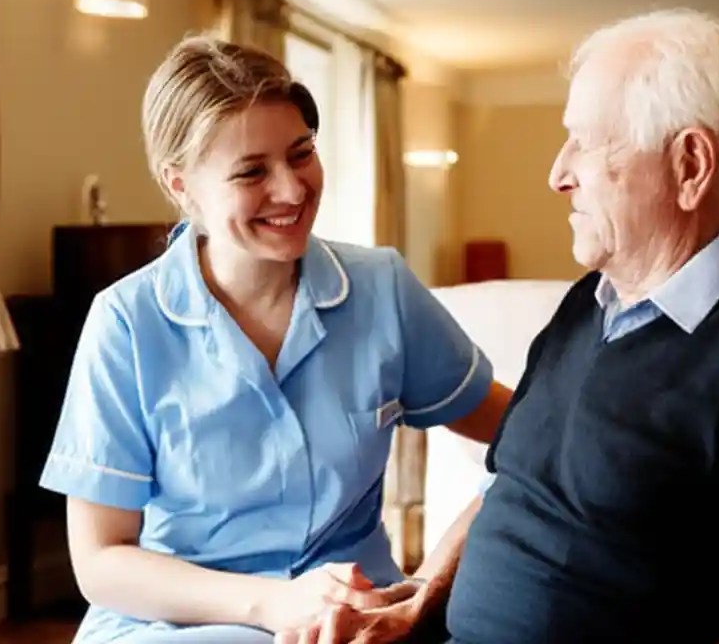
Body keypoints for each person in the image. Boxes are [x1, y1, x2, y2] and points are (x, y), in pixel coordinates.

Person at [291, 8, 719, 643]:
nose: (558, 174)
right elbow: (508, 485)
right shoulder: (589, 303)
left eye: (585, 141)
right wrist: (419, 603)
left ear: (690, 165)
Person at [37, 35, 513, 643]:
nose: (291, 190)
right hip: (171, 622)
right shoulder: (126, 322)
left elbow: (526, 437)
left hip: (353, 618)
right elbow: (101, 561)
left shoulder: (381, 290)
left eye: (302, 153)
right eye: (252, 172)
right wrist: (270, 605)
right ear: (181, 186)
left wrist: (435, 580)